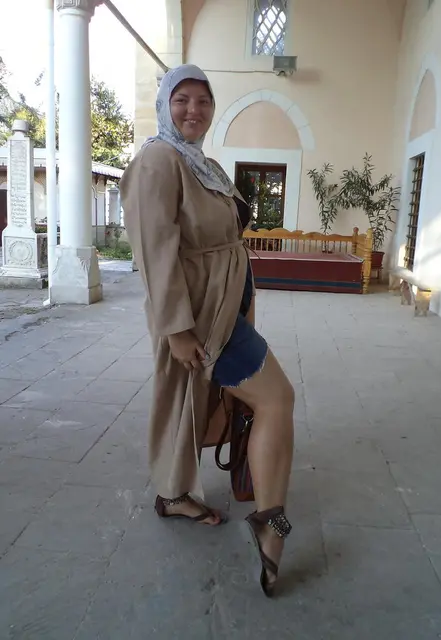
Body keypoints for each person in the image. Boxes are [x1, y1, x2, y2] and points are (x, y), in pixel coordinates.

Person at [119, 64, 294, 597]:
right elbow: (154, 249)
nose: (193, 109)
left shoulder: (204, 164)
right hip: (199, 315)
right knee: (276, 398)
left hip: (225, 308)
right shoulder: (158, 158)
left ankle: (174, 495)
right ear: (164, 105)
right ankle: (272, 522)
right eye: (182, 99)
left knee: (189, 401)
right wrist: (176, 328)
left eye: (203, 100)